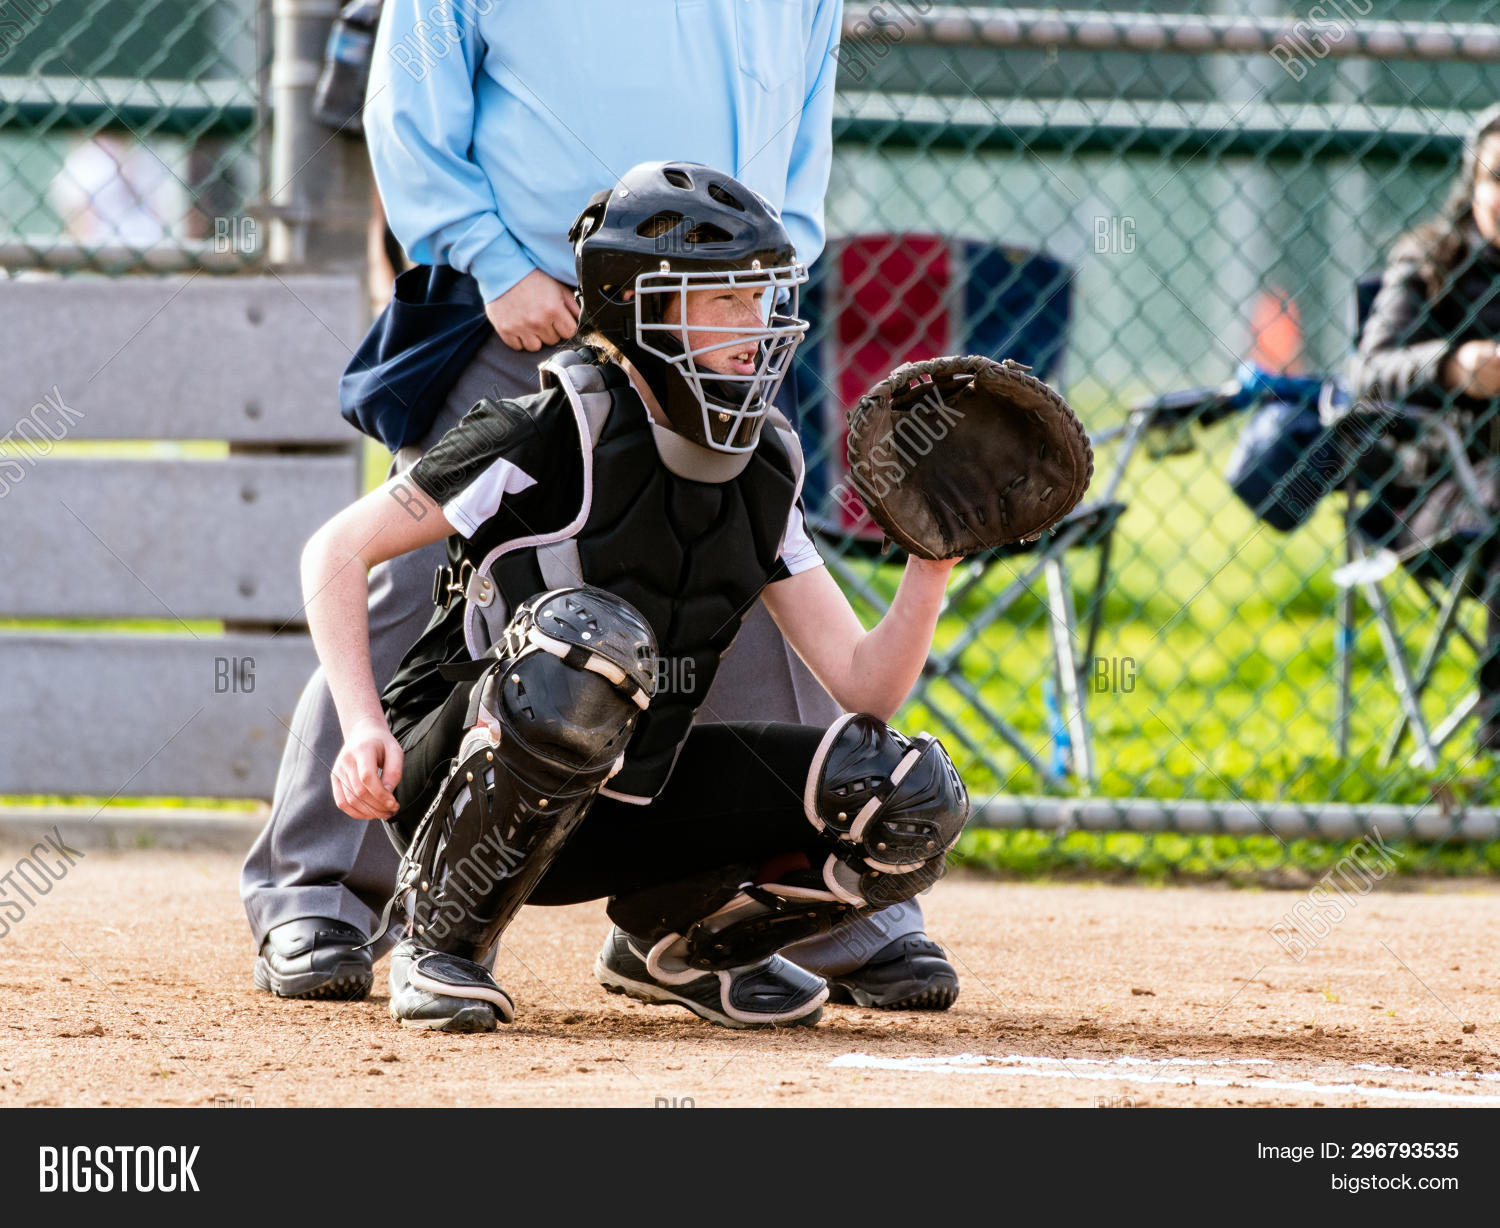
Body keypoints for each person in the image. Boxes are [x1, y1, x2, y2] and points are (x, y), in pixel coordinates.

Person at [243, 0, 961, 1010]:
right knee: (429, 585)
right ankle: (322, 887)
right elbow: (410, 105)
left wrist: (763, 291)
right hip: (529, 296)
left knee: (729, 565)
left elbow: (801, 136)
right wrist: (489, 259)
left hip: (718, 317)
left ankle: (756, 916)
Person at [1350, 104, 1500, 751]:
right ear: (1473, 187)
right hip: (1444, 490)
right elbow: (1368, 371)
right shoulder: (1432, 262)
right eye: (1497, 177)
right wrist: (1452, 365)